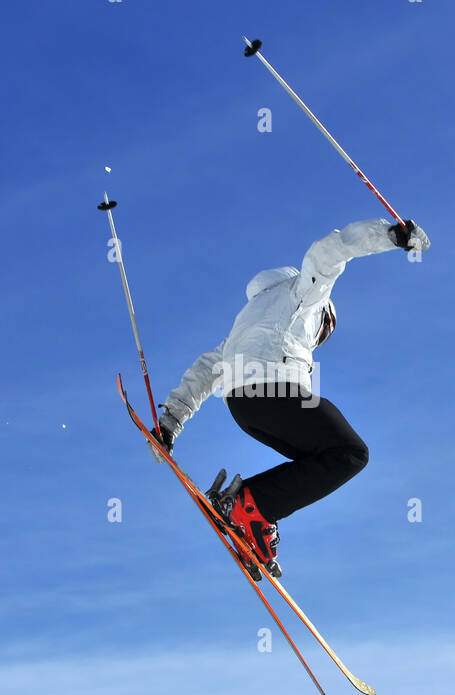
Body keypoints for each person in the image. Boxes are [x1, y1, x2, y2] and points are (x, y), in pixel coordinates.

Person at [149, 216, 430, 577]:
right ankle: (251, 506)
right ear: (326, 318)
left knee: (320, 457)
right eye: (323, 335)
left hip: (244, 406)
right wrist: (392, 236)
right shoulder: (304, 294)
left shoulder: (243, 324)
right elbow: (327, 252)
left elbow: (207, 368)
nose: (318, 343)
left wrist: (170, 422)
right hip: (274, 390)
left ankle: (247, 508)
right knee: (350, 453)